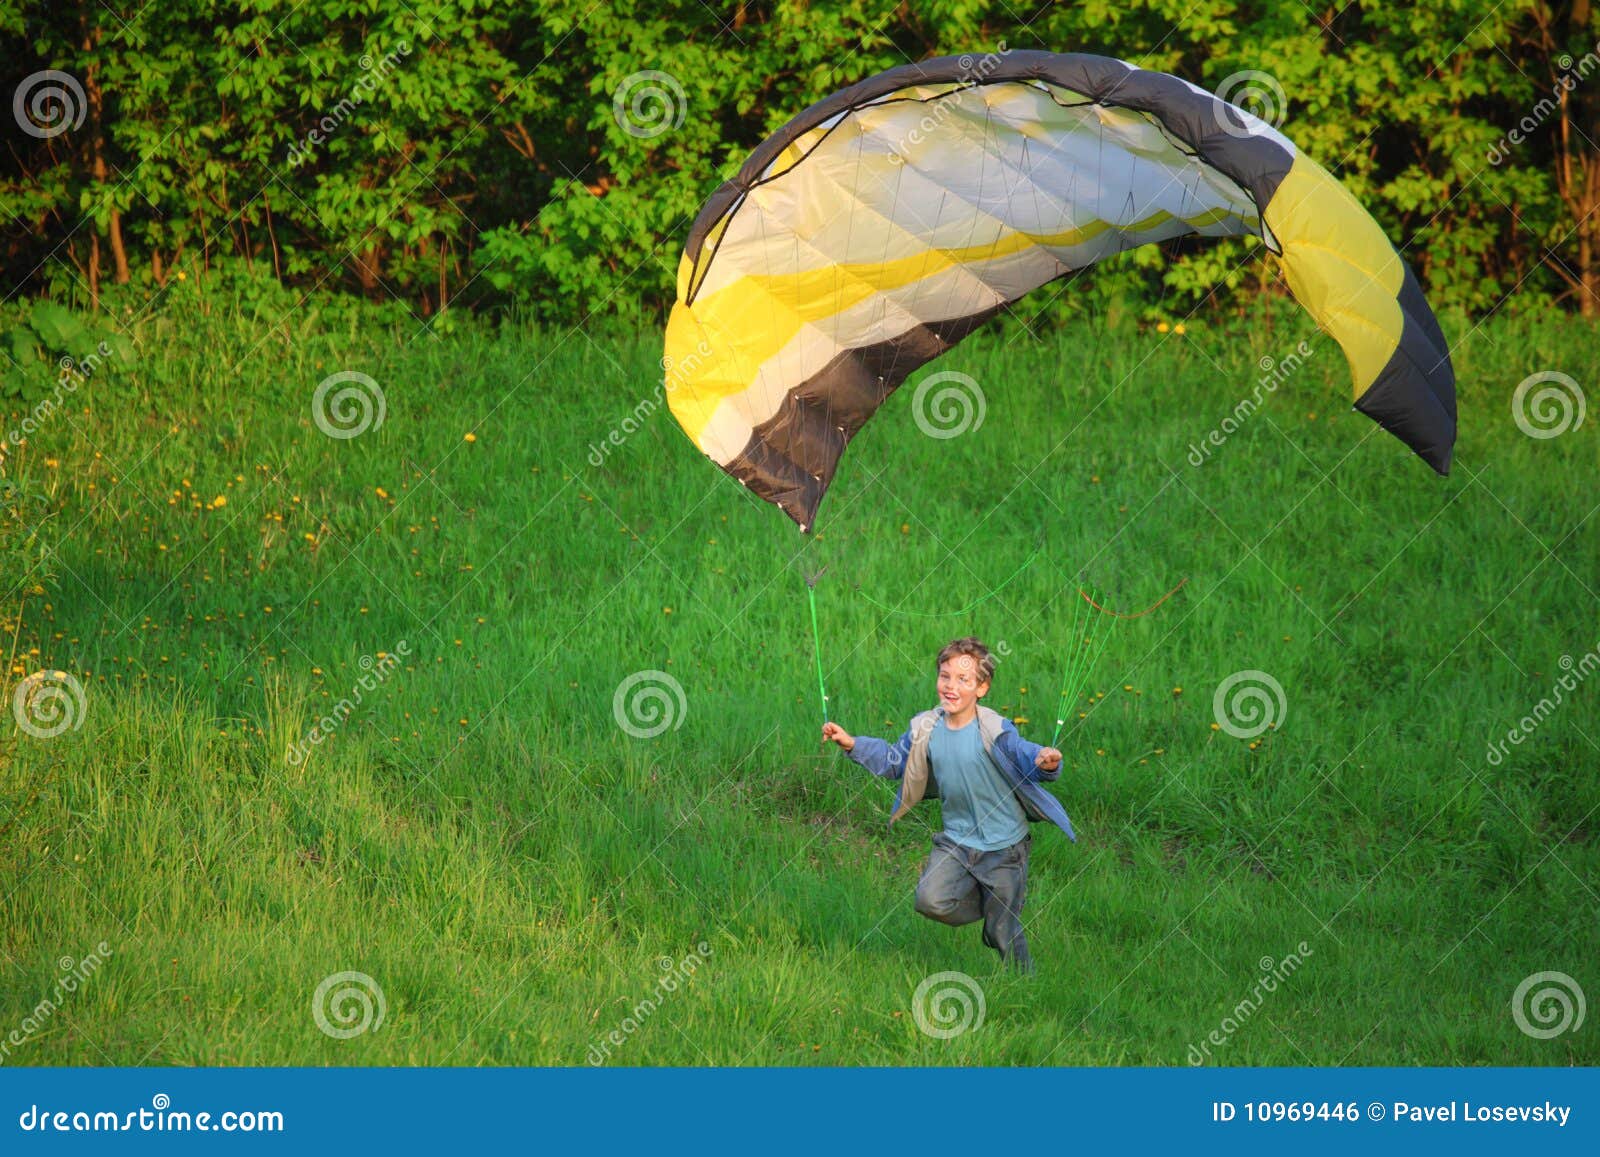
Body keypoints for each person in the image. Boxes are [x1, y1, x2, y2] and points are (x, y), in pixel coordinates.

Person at [821, 637, 1076, 972]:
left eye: (963, 679)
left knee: (1002, 931)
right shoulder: (926, 727)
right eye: (945, 676)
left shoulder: (994, 730)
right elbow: (892, 760)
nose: (951, 686)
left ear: (981, 688)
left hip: (1005, 847)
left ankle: (1024, 980)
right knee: (930, 901)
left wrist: (1046, 761)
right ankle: (992, 904)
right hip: (957, 841)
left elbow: (1025, 756)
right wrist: (852, 744)